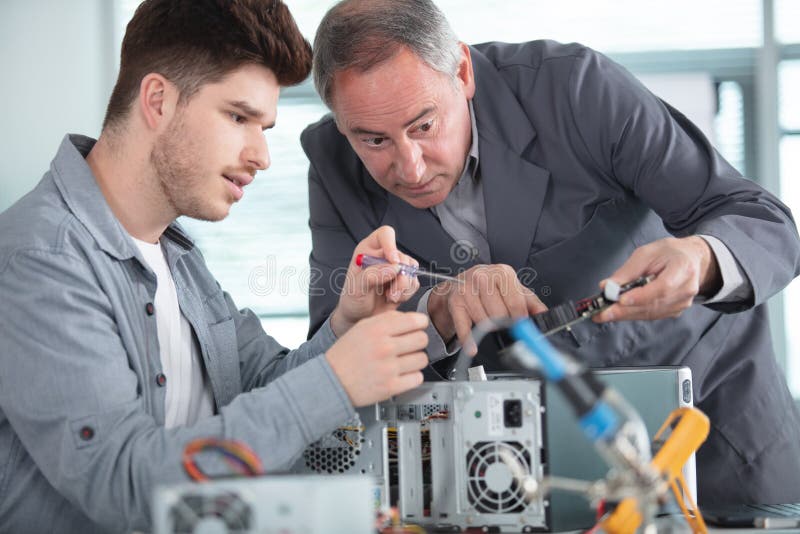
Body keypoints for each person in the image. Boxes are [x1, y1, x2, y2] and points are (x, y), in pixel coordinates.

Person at [301, 0, 800, 505]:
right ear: (341, 125)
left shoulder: (578, 89)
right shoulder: (330, 164)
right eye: (373, 140)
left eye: (424, 126)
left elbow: (761, 218)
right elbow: (333, 351)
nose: (408, 167)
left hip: (710, 420)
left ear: (463, 71)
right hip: (515, 468)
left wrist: (702, 260)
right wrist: (436, 311)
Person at [0, 1, 431, 532]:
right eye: (238, 117)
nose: (261, 155)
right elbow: (121, 483)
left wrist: (346, 324)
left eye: (265, 126)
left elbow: (260, 388)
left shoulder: (177, 257)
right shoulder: (41, 261)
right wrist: (336, 381)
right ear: (157, 100)